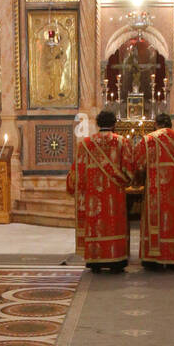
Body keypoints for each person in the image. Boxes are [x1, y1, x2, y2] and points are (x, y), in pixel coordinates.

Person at [66, 109, 132, 272]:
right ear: (114, 124)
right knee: (113, 223)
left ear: (97, 124)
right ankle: (116, 260)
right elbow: (129, 171)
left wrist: (76, 189)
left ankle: (95, 261)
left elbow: (76, 173)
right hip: (114, 195)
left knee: (96, 225)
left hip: (92, 197)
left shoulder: (85, 144)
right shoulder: (122, 142)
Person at [131, 112, 174, 269]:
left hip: (156, 192)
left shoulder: (148, 140)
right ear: (170, 124)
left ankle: (153, 259)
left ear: (156, 124)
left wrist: (138, 182)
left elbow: (138, 165)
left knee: (157, 222)